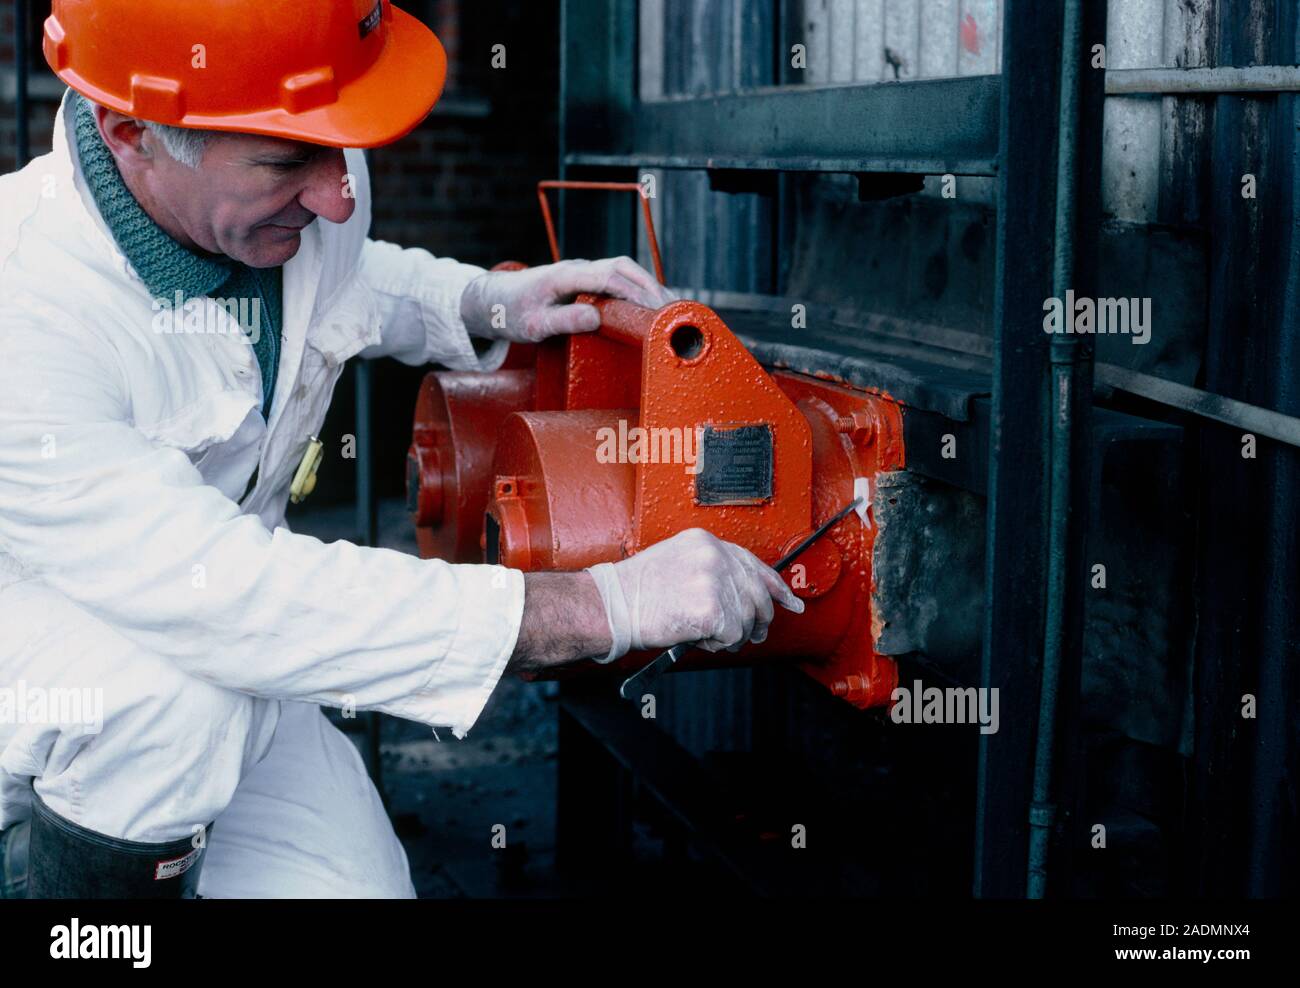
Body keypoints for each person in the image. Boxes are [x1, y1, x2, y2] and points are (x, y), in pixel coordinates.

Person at [0, 0, 802, 897]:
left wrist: (485, 304)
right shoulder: (26, 316)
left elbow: (351, 275)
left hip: (237, 661)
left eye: (345, 152)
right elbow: (227, 593)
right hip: (65, 673)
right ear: (130, 133)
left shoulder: (302, 185)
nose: (338, 195)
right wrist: (597, 605)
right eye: (288, 161)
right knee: (163, 704)